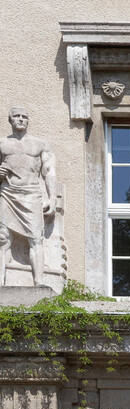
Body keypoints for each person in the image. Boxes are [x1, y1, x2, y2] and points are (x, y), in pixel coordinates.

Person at [0, 106, 56, 288]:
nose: (21, 119)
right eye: (16, 116)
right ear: (10, 120)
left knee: (36, 239)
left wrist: (52, 198)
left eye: (24, 116)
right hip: (8, 193)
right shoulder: (2, 144)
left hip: (31, 194)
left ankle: (38, 282)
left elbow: (49, 171)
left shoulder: (40, 144)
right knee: (2, 238)